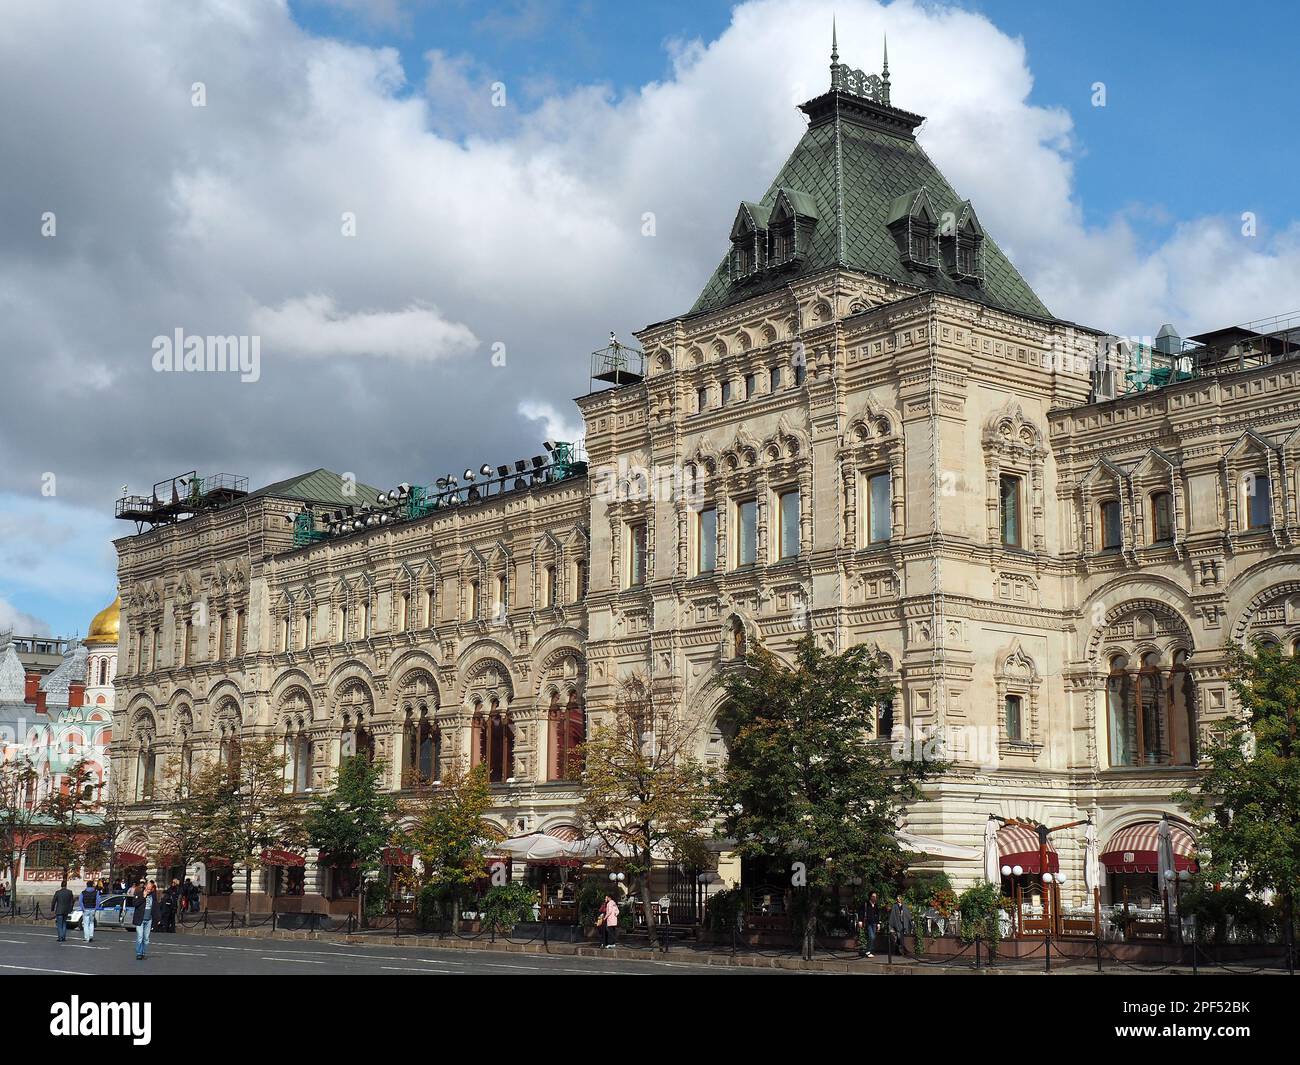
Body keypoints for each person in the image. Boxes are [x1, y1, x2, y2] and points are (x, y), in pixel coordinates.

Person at [131, 881, 156, 960]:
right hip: (140, 919)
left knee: (146, 939)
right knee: (140, 936)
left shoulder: (152, 896)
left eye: (150, 889)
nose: (148, 890)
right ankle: (139, 953)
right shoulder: (139, 893)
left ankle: (143, 952)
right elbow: (135, 904)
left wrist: (158, 918)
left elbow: (155, 907)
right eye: (147, 888)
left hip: (149, 920)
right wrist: (143, 897)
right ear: (145, 887)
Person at [862, 891, 881, 958]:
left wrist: (878, 923)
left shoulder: (876, 905)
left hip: (874, 923)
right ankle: (868, 951)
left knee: (873, 937)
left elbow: (877, 915)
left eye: (875, 896)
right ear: (870, 897)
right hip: (868, 923)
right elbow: (861, 912)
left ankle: (869, 950)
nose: (874, 898)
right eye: (873, 896)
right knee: (871, 937)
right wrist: (860, 921)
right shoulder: (866, 904)